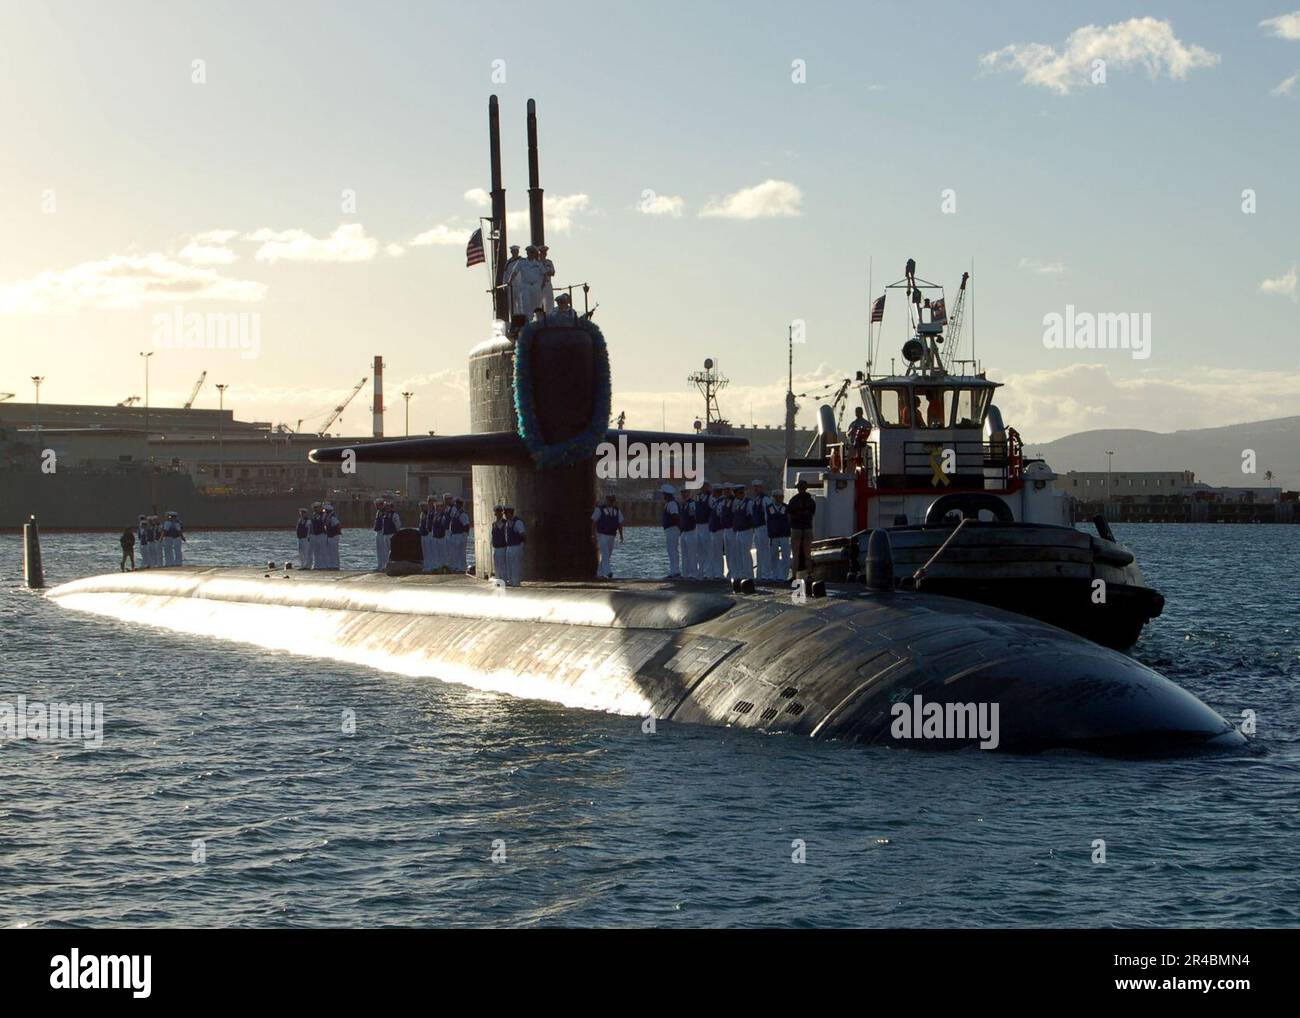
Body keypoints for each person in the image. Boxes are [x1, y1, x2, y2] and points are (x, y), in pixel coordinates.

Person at [788, 479, 817, 581]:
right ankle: (809, 575)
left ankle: (794, 576)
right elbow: (812, 514)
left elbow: (789, 515)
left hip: (796, 529)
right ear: (806, 488)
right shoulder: (811, 501)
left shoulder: (793, 500)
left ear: (798, 488)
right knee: (807, 554)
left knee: (795, 554)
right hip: (807, 528)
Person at [591, 492, 624, 579]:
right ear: (606, 500)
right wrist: (593, 535)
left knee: (608, 554)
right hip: (602, 535)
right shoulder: (600, 509)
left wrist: (621, 535)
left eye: (612, 500)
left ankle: (599, 573)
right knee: (605, 553)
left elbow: (620, 523)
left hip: (612, 536)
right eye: (609, 500)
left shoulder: (617, 510)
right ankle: (608, 572)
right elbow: (594, 522)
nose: (611, 502)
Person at [730, 483, 754, 580]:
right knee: (739, 553)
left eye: (741, 492)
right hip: (738, 531)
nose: (739, 494)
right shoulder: (736, 502)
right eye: (737, 493)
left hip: (746, 530)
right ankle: (741, 573)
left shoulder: (749, 502)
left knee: (745, 553)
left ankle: (749, 574)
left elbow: (751, 516)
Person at [767, 489, 792, 580]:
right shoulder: (769, 508)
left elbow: (789, 520)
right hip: (774, 535)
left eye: (781, 497)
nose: (780, 499)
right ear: (774, 498)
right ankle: (775, 574)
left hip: (784, 534)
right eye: (777, 497)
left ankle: (783, 576)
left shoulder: (786, 507)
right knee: (773, 555)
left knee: (786, 555)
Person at [750, 480, 771, 580]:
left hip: (763, 527)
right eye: (754, 487)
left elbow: (768, 515)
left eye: (757, 487)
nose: (755, 489)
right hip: (757, 528)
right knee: (759, 551)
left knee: (765, 551)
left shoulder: (765, 499)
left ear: (761, 487)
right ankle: (759, 574)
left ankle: (766, 574)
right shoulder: (755, 500)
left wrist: (768, 528)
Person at [694, 481, 715, 579]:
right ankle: (700, 572)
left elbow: (713, 510)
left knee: (708, 550)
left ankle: (709, 572)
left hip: (706, 525)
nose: (703, 487)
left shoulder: (710, 497)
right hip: (698, 525)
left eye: (705, 485)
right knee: (699, 550)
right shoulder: (698, 497)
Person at [660, 483, 681, 578]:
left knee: (673, 550)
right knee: (671, 550)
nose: (663, 496)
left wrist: (678, 526)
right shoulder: (669, 503)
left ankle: (675, 571)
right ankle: (673, 570)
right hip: (670, 529)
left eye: (664, 494)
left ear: (667, 494)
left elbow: (675, 516)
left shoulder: (672, 504)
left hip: (672, 529)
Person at [503, 504, 526, 586]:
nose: (505, 515)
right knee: (509, 565)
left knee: (515, 565)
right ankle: (511, 581)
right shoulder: (507, 523)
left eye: (506, 513)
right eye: (504, 513)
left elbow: (523, 535)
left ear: (510, 513)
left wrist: (521, 545)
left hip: (516, 547)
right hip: (509, 547)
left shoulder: (518, 522)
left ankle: (516, 582)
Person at [678, 490, 697, 579]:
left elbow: (694, 517)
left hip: (690, 531)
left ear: (690, 493)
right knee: (684, 554)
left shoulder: (692, 504)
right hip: (683, 532)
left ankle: (693, 573)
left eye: (685, 493)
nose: (684, 494)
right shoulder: (683, 504)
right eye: (682, 493)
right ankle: (685, 573)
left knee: (691, 554)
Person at [448, 497, 471, 572]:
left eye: (458, 504)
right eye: (456, 504)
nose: (456, 505)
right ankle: (456, 566)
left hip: (460, 535)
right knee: (454, 552)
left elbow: (466, 526)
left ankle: (462, 567)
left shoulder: (463, 514)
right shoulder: (456, 513)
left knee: (461, 552)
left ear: (461, 505)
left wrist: (464, 536)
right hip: (454, 535)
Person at [428, 497, 449, 573]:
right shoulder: (435, 515)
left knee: (442, 553)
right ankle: (437, 566)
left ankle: (442, 566)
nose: (437, 508)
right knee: (436, 553)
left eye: (438, 507)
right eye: (436, 507)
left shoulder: (443, 516)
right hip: (435, 537)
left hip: (441, 537)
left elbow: (445, 526)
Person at [490, 504, 509, 581]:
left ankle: (504, 580)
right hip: (496, 547)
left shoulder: (505, 523)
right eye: (496, 512)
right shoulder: (494, 524)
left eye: (498, 512)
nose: (497, 514)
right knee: (497, 565)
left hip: (503, 547)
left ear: (501, 513)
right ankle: (498, 580)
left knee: (503, 565)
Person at [311, 501, 330, 570]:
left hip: (322, 534)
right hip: (316, 535)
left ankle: (324, 565)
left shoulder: (324, 515)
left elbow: (325, 524)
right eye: (314, 508)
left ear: (320, 508)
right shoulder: (314, 515)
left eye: (316, 508)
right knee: (316, 551)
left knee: (323, 551)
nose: (315, 509)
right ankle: (317, 565)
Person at [324, 502, 342, 569]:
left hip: (334, 536)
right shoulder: (329, 517)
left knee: (334, 551)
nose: (324, 511)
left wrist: (335, 533)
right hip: (330, 536)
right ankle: (331, 565)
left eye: (325, 510)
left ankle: (335, 565)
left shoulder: (333, 517)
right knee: (330, 551)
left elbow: (338, 525)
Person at [539, 244, 555, 312]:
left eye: (545, 252)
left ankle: (549, 318)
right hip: (539, 284)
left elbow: (553, 272)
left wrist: (546, 273)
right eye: (542, 252)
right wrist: (546, 272)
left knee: (549, 303)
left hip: (547, 284)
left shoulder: (549, 262)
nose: (544, 254)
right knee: (538, 303)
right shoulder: (537, 263)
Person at [371, 498, 387, 570]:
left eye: (377, 505)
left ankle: (384, 565)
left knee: (383, 550)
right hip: (378, 531)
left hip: (382, 532)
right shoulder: (378, 512)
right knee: (379, 550)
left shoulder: (384, 512)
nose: (376, 506)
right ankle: (379, 565)